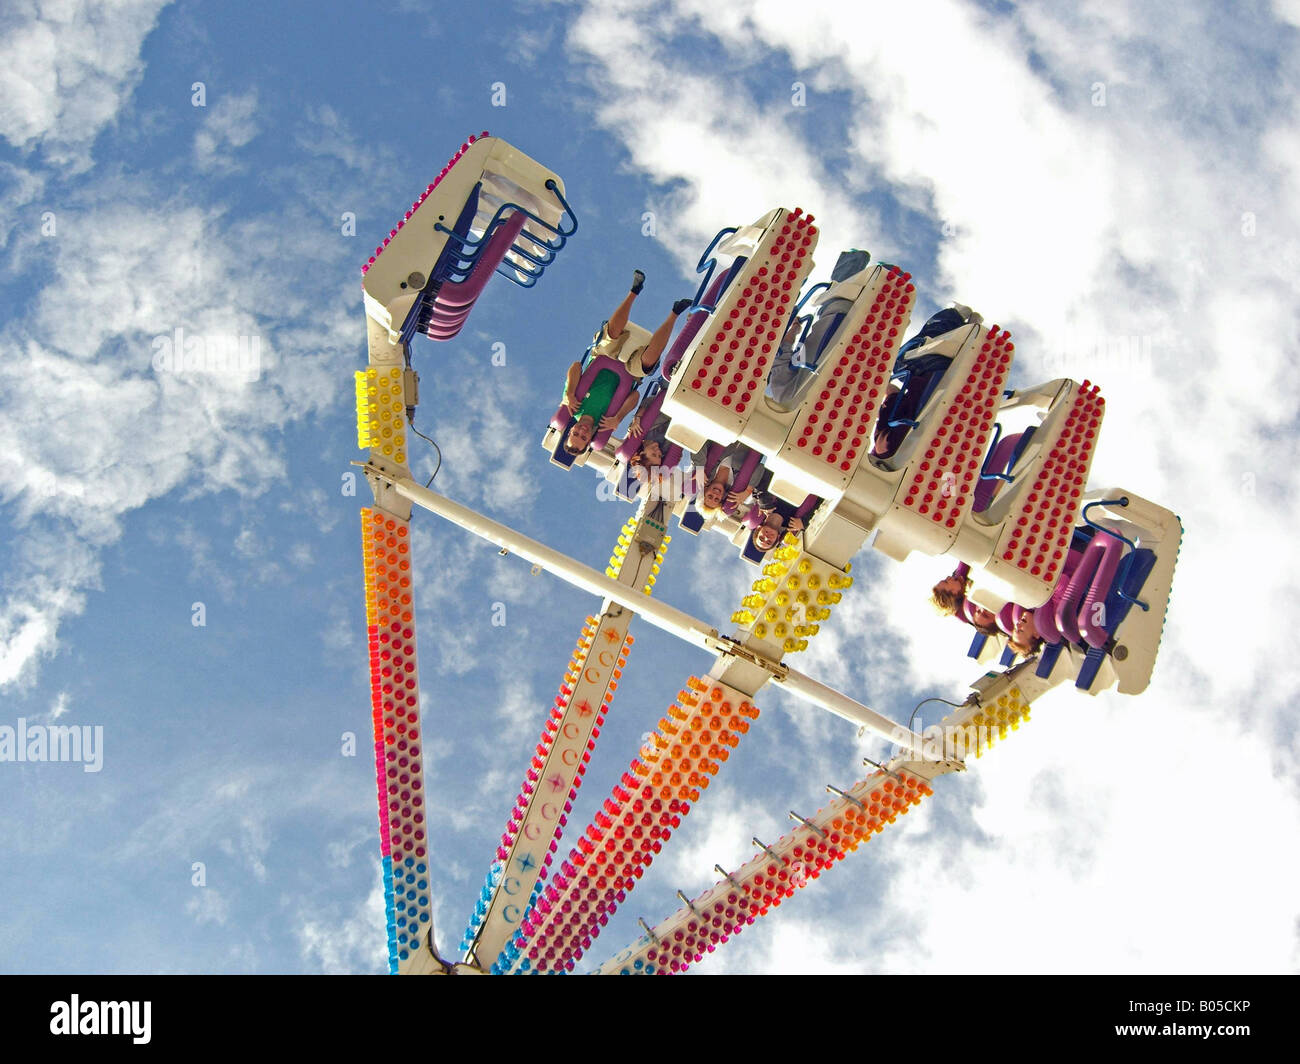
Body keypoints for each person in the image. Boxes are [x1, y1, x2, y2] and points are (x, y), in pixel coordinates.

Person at [560, 271, 693, 455]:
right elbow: (636, 396)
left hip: (604, 356)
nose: (582, 431)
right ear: (590, 439)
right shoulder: (607, 421)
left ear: (570, 430)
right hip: (630, 372)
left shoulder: (572, 403)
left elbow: (576, 366)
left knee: (610, 337)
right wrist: (619, 418)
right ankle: (675, 312)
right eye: (584, 437)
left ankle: (634, 290)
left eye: (575, 433)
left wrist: (570, 391)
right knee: (648, 362)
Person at [871, 303, 983, 462]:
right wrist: (881, 397)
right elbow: (894, 394)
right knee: (899, 364)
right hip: (930, 373)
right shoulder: (883, 447)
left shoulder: (921, 461)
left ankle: (975, 327)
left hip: (961, 387)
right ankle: (955, 314)